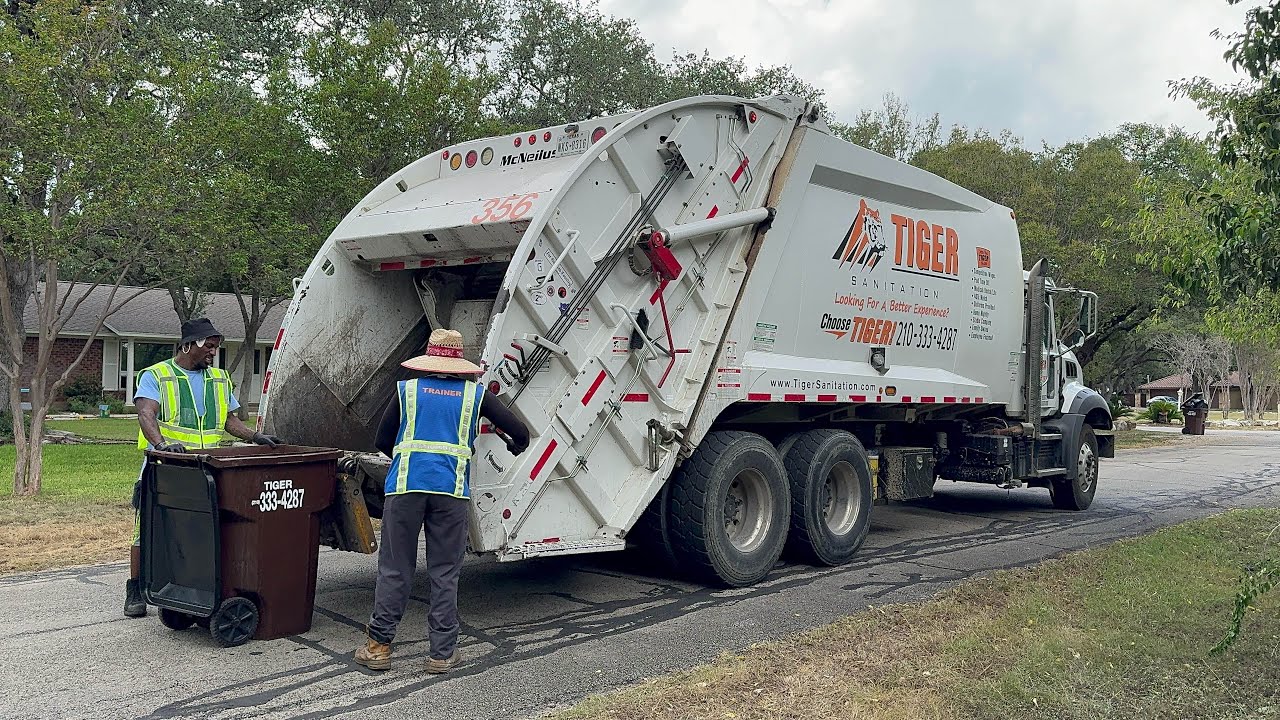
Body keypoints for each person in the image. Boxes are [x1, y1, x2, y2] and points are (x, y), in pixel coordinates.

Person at [354, 328, 529, 674]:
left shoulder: (407, 390)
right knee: (444, 572)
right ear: (459, 362)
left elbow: (381, 440)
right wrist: (514, 445)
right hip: (450, 493)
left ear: (428, 360)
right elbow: (520, 432)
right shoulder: (475, 396)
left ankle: (378, 648)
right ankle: (442, 653)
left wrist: (411, 459)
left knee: (395, 568)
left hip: (406, 488)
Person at [125, 317, 282, 618]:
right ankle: (135, 588)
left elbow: (229, 421)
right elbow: (146, 414)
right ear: (188, 345)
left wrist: (256, 436)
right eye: (208, 346)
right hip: (166, 466)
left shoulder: (219, 379)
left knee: (199, 530)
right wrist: (160, 445)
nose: (213, 353)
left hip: (208, 468)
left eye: (215, 347)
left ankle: (190, 586)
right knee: (146, 530)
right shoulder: (156, 375)